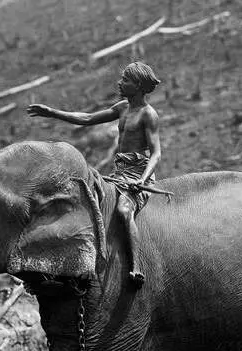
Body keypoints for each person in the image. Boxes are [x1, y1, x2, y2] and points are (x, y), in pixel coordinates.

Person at [27, 61, 162, 287]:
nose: (120, 83)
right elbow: (87, 119)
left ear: (138, 85)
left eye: (126, 80)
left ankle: (136, 267)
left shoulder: (149, 115)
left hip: (138, 174)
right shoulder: (122, 108)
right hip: (120, 172)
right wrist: (52, 113)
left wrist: (143, 179)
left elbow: (156, 153)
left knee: (123, 209)